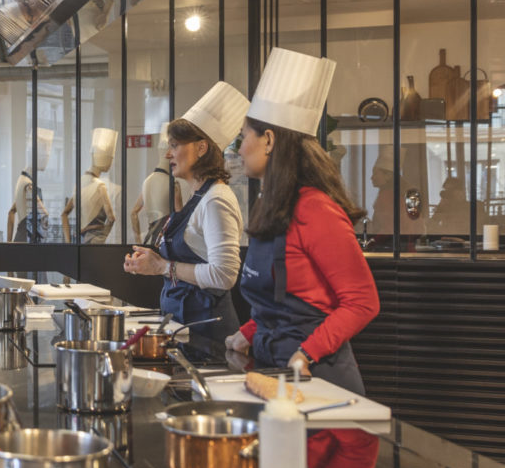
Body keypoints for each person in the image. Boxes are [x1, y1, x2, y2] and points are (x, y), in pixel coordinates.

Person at [227, 48, 380, 394]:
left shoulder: (316, 210)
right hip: (272, 369)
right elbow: (280, 302)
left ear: (268, 140)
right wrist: (248, 332)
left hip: (318, 378)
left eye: (242, 137)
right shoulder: (270, 204)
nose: (238, 149)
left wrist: (306, 353)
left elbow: (363, 301)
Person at [124, 82, 247, 341]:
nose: (168, 153)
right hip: (185, 326)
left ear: (202, 148)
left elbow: (223, 275)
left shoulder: (216, 199)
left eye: (175, 145)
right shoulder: (198, 195)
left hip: (207, 334)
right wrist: (151, 261)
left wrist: (162, 267)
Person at [63, 128, 118, 243]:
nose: (111, 163)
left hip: (80, 240)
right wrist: (104, 236)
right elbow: (111, 218)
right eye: (110, 158)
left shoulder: (80, 182)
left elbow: (64, 214)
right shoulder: (100, 186)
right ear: (105, 159)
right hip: (96, 240)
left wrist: (68, 242)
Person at [130, 123, 175, 244]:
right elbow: (179, 219)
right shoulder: (173, 184)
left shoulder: (147, 181)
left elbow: (133, 213)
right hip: (164, 242)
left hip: (148, 240)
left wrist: (138, 240)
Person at [7, 128, 54, 242]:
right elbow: (44, 215)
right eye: (46, 154)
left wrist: (9, 242)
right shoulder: (28, 185)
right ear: (38, 155)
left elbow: (11, 212)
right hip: (27, 240)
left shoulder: (21, 180)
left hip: (19, 238)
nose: (47, 159)